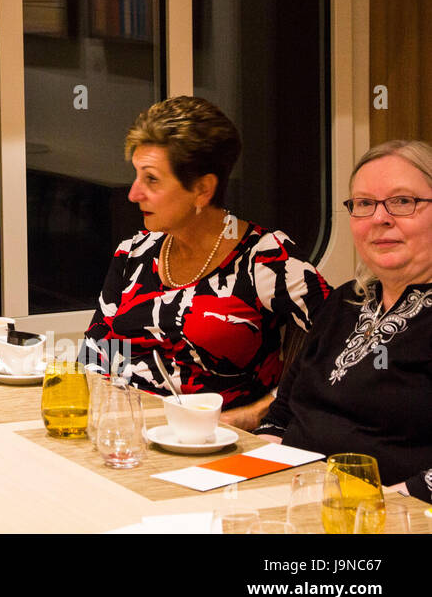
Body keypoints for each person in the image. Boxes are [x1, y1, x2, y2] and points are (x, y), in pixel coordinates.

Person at [84, 96, 329, 429]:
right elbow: (94, 355)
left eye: (152, 179)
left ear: (202, 189)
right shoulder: (133, 253)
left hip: (221, 444)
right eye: (137, 176)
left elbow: (343, 344)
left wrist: (261, 412)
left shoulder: (266, 257)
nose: (133, 193)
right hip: (131, 435)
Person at [255, 141, 432, 502]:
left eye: (403, 201)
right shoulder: (345, 300)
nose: (380, 218)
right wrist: (252, 480)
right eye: (364, 203)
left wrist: (380, 506)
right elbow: (282, 415)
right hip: (291, 494)